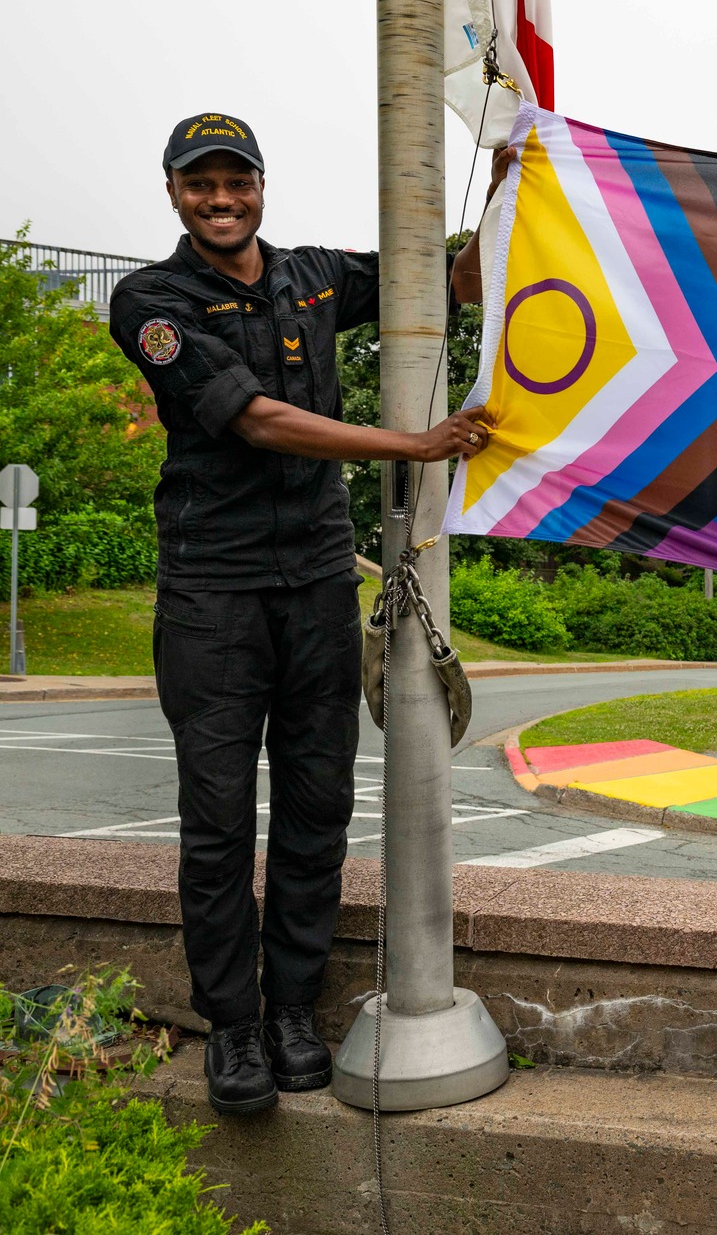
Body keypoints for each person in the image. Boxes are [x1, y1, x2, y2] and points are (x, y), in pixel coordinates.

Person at [108, 114, 499, 1116]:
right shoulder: (151, 301)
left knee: (318, 808)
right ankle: (231, 1025)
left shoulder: (313, 277)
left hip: (320, 586)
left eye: (236, 181)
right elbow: (255, 419)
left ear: (261, 186)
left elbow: (450, 279)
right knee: (217, 819)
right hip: (214, 594)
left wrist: (508, 182)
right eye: (201, 185)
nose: (221, 199)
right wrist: (411, 446)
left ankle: (291, 1010)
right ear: (174, 195)